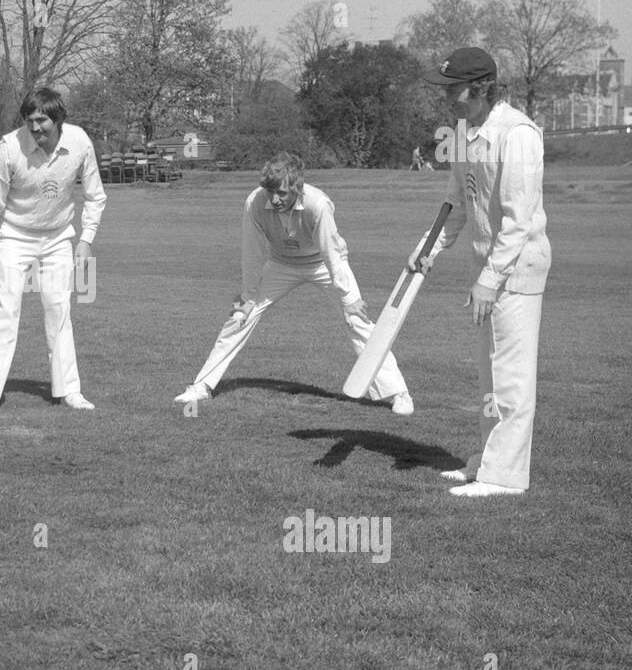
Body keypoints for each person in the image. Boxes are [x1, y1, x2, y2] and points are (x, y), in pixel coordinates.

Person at [409, 48, 550, 496]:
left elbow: (518, 219)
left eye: (455, 87)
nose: (449, 96)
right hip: (486, 268)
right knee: (489, 373)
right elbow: (456, 203)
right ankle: (486, 462)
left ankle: (505, 478)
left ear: (482, 87)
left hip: (518, 269)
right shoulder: (465, 132)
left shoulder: (519, 134)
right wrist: (426, 250)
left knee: (511, 374)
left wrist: (490, 280)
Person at [174, 151, 414, 413]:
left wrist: (348, 299)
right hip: (280, 264)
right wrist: (248, 298)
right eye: (270, 192)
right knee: (238, 316)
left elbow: (331, 252)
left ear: (298, 188)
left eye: (282, 193)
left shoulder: (318, 204)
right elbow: (252, 253)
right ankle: (202, 385)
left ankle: (398, 393)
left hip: (322, 264)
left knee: (357, 319)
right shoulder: (254, 202)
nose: (275, 199)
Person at [0, 85, 107, 413]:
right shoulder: (9, 148)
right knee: (5, 308)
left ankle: (69, 391)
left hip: (58, 236)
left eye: (42, 121)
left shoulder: (79, 142)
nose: (35, 128)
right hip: (14, 236)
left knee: (59, 309)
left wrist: (85, 241)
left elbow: (95, 196)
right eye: (29, 121)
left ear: (58, 118)